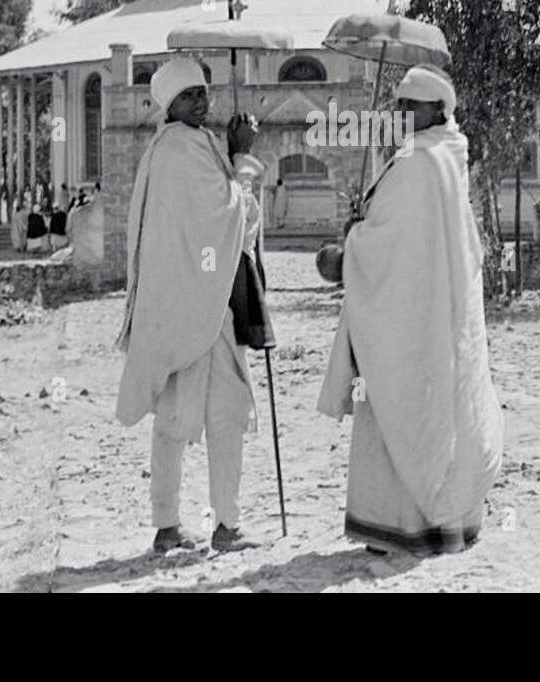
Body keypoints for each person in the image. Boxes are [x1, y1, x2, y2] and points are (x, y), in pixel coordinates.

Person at [317, 64, 503, 555]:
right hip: (429, 317)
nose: (401, 113)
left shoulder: (422, 163)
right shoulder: (441, 156)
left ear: (436, 111)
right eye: (398, 104)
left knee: (403, 409)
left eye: (410, 106)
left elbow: (392, 243)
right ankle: (443, 523)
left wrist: (353, 243)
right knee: (435, 410)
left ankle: (406, 528)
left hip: (407, 320)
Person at [115, 57, 273, 554]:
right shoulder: (176, 151)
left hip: (213, 304)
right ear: (169, 105)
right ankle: (167, 525)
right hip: (187, 307)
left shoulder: (194, 143)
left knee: (226, 415)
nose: (201, 102)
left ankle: (226, 524)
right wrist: (243, 158)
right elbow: (225, 217)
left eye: (203, 92)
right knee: (175, 420)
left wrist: (230, 154)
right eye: (189, 96)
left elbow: (228, 218)